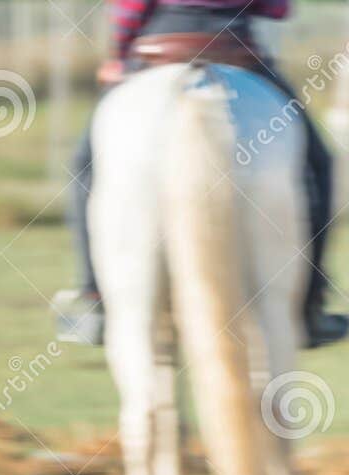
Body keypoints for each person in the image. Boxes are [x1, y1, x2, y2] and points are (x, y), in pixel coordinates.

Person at [55, 0, 347, 348]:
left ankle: (95, 300)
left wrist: (119, 55)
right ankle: (309, 305)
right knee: (318, 163)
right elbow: (278, 9)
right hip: (234, 46)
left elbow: (128, 8)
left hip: (157, 43)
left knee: (85, 165)